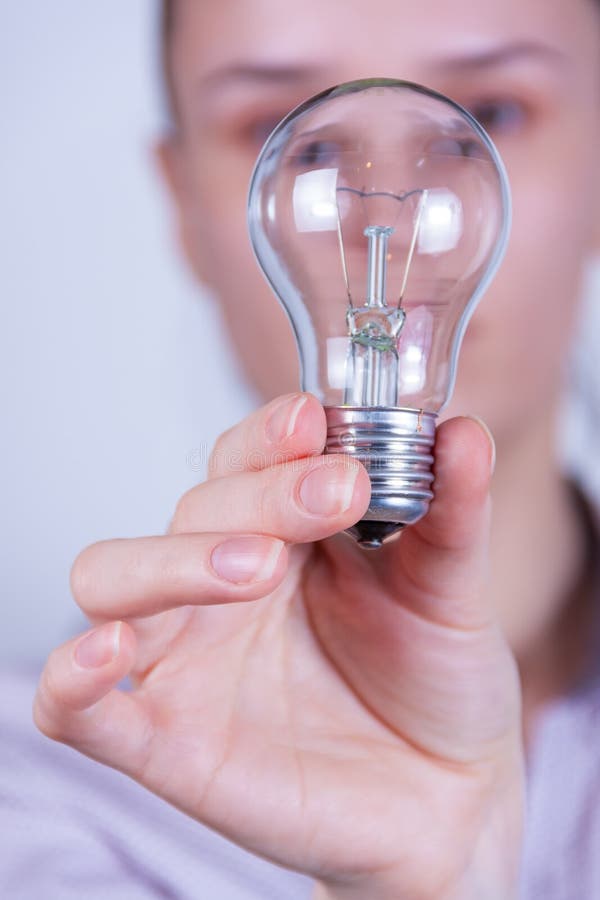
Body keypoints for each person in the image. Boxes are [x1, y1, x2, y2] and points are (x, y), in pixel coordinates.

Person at [2, 0, 599, 897]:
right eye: (303, 144)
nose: (378, 222)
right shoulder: (56, 780)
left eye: (497, 113)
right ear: (186, 205)